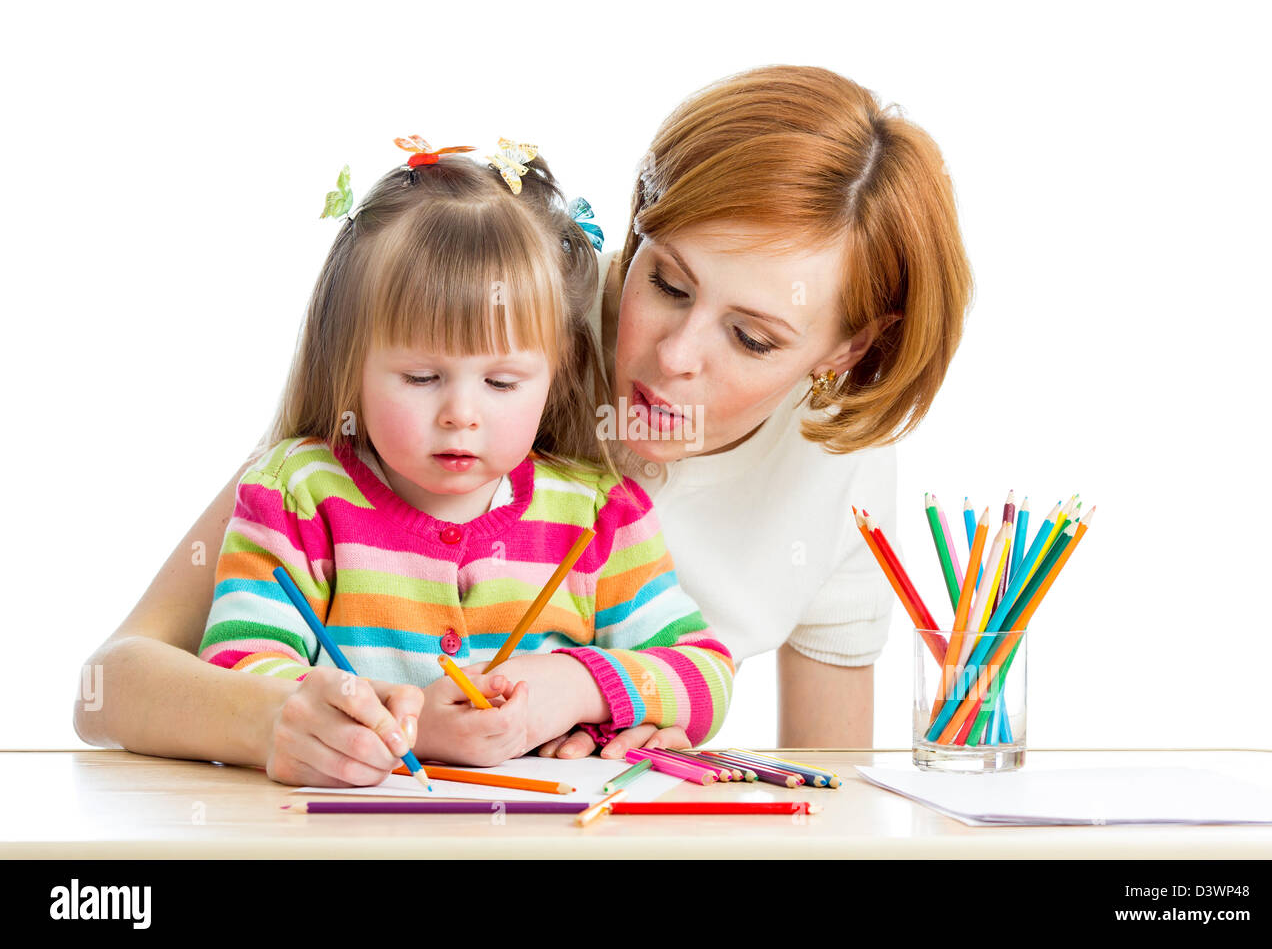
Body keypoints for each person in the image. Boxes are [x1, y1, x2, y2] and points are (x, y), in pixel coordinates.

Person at [74, 65, 971, 768]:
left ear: (846, 354)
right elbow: (109, 686)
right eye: (665, 281)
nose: (674, 354)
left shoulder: (837, 459)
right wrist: (285, 717)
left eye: (752, 337)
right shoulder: (499, 327)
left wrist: (596, 699)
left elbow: (825, 783)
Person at [190, 139, 734, 785]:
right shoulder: (298, 497)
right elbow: (239, 669)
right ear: (350, 362)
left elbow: (705, 674)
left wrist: (580, 687)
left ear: (555, 378)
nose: (460, 414)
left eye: (501, 384)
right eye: (422, 376)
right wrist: (407, 722)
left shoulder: (599, 517)